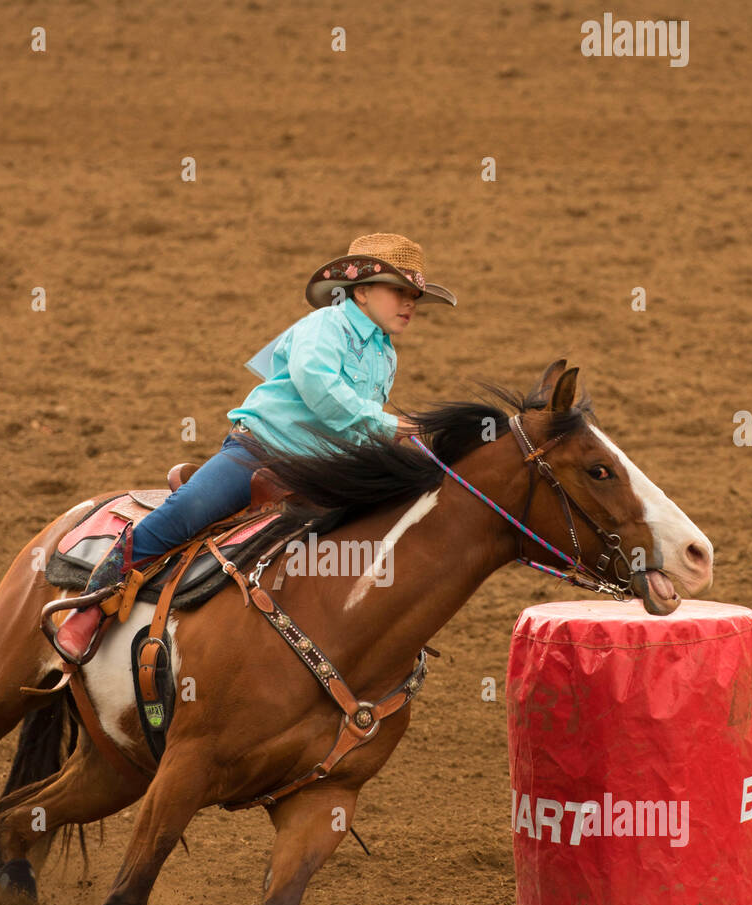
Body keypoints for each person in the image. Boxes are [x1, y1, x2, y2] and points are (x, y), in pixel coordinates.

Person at [52, 233, 457, 663]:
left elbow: (354, 421)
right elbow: (317, 386)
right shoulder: (324, 325)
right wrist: (388, 425)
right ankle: (91, 604)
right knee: (188, 510)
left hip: (326, 470)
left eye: (414, 295)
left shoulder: (384, 352)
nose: (410, 303)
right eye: (399, 291)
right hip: (261, 452)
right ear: (360, 291)